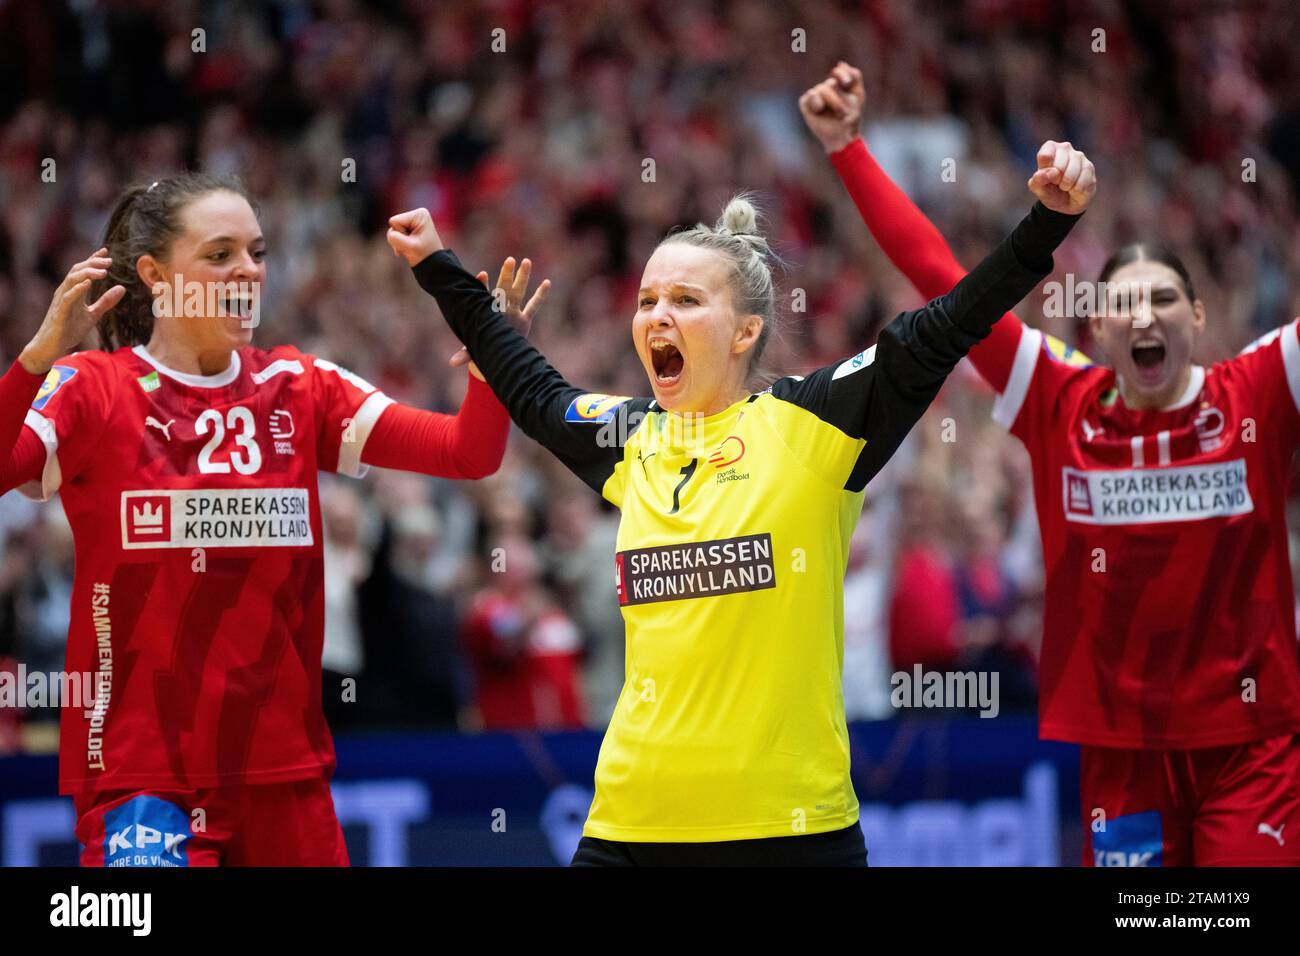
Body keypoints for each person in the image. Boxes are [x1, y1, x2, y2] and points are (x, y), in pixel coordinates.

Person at [384, 132, 1093, 864]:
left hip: (790, 833)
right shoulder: (634, 437)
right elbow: (534, 391)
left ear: (746, 330)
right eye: (648, 300)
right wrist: (440, 269)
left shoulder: (813, 424)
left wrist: (1045, 224)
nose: (657, 316)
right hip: (631, 829)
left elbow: (943, 328)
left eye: (686, 301)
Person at [805, 61, 1300, 866]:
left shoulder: (1261, 388)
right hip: (1123, 756)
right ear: (1097, 330)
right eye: (1121, 304)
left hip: (1250, 750)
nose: (1144, 314)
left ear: (1200, 315)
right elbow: (939, 276)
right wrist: (847, 147)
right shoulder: (1055, 397)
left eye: (1164, 299)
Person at [0, 172, 545, 866]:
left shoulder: (298, 386)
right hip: (144, 778)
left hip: (284, 775)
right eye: (221, 254)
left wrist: (492, 363)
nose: (250, 271)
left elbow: (468, 454)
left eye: (257, 252)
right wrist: (37, 356)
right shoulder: (93, 390)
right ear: (154, 274)